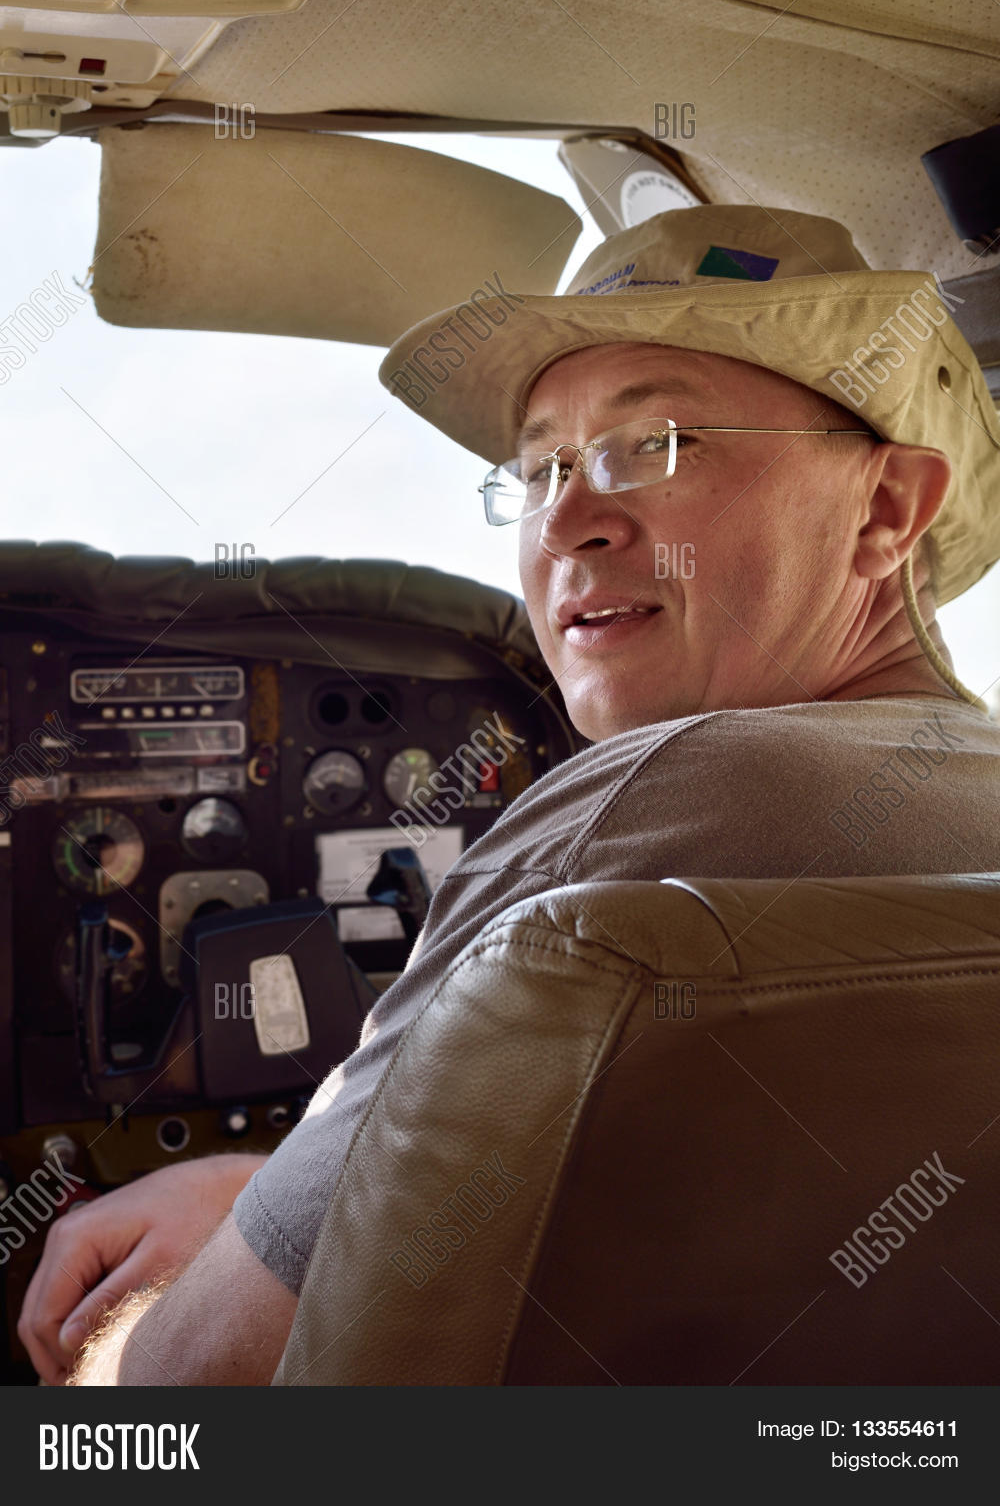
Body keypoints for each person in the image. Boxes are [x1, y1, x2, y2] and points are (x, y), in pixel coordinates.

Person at [19, 204, 1000, 1385]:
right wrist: (276, 1197)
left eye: (657, 443)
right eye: (539, 468)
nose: (568, 523)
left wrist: (123, 1334)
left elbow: (187, 1397)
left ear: (887, 510)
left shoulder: (644, 805)